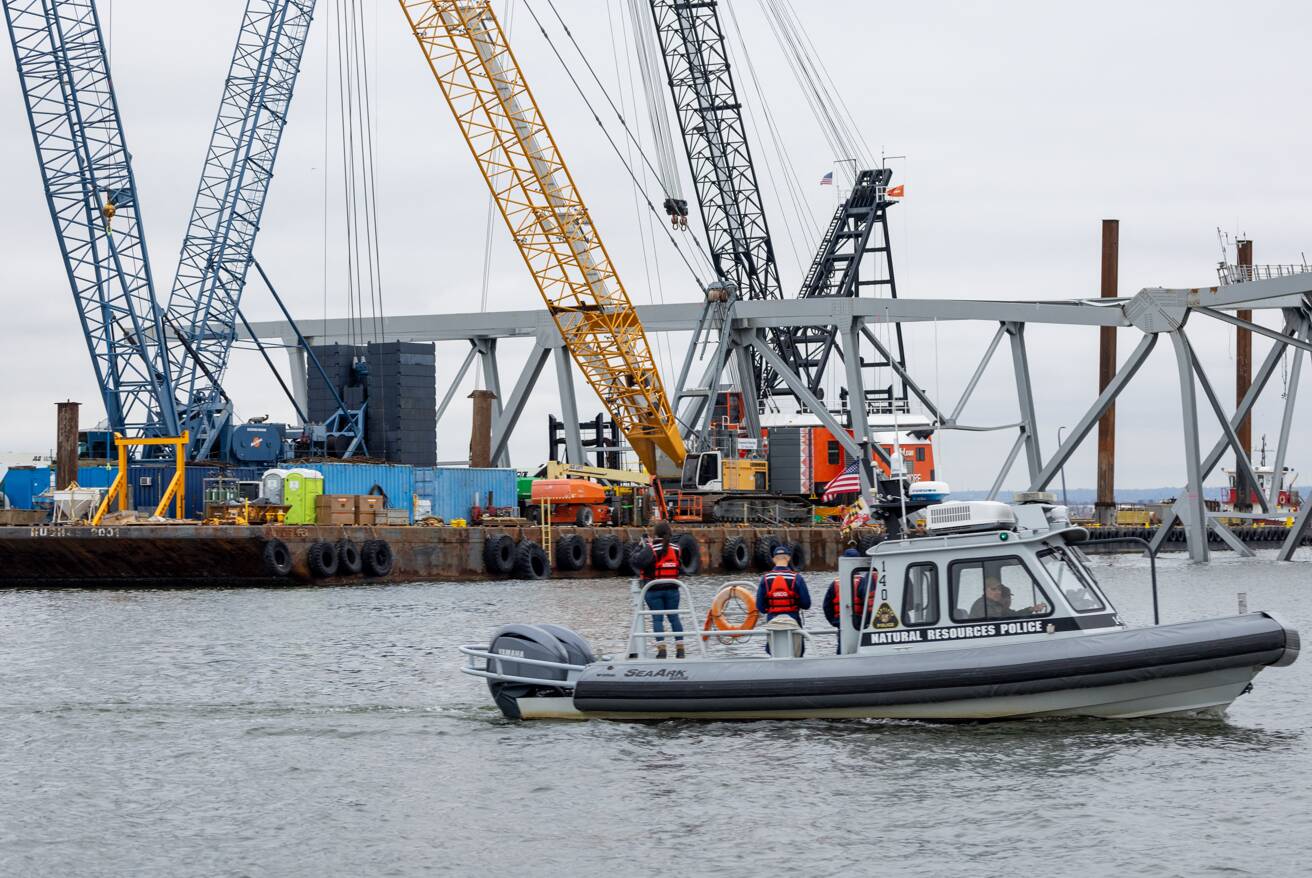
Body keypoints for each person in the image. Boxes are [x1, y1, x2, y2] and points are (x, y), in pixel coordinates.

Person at [633, 520, 684, 658]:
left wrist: (640, 546)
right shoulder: (677, 548)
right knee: (674, 618)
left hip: (653, 589)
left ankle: (662, 650)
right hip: (673, 589)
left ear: (655, 534)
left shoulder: (651, 549)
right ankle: (680, 650)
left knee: (657, 619)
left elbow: (636, 562)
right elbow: (680, 566)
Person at [756, 545, 812, 654]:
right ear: (788, 558)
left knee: (774, 652)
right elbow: (806, 604)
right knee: (797, 651)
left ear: (773, 559)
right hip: (793, 620)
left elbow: (760, 607)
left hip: (773, 620)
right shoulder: (797, 578)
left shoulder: (766, 578)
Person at [822, 545, 867, 653]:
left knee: (842, 650)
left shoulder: (835, 584)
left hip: (842, 624)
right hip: (862, 624)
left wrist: (834, 621)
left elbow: (826, 606)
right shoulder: (865, 582)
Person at [969, 575, 1048, 620]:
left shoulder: (995, 604)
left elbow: (1013, 615)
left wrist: (1031, 609)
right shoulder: (982, 606)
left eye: (999, 589)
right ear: (985, 590)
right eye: (993, 589)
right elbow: (999, 623)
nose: (998, 592)